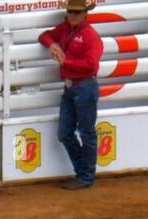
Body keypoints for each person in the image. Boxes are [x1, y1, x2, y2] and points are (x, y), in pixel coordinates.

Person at [38, 0, 103, 190]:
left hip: (83, 87)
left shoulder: (90, 36)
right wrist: (52, 45)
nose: (72, 15)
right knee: (67, 133)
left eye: (76, 12)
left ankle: (85, 175)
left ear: (84, 13)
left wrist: (65, 61)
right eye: (70, 12)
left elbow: (91, 66)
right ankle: (84, 173)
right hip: (75, 87)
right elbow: (45, 36)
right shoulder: (67, 29)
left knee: (84, 132)